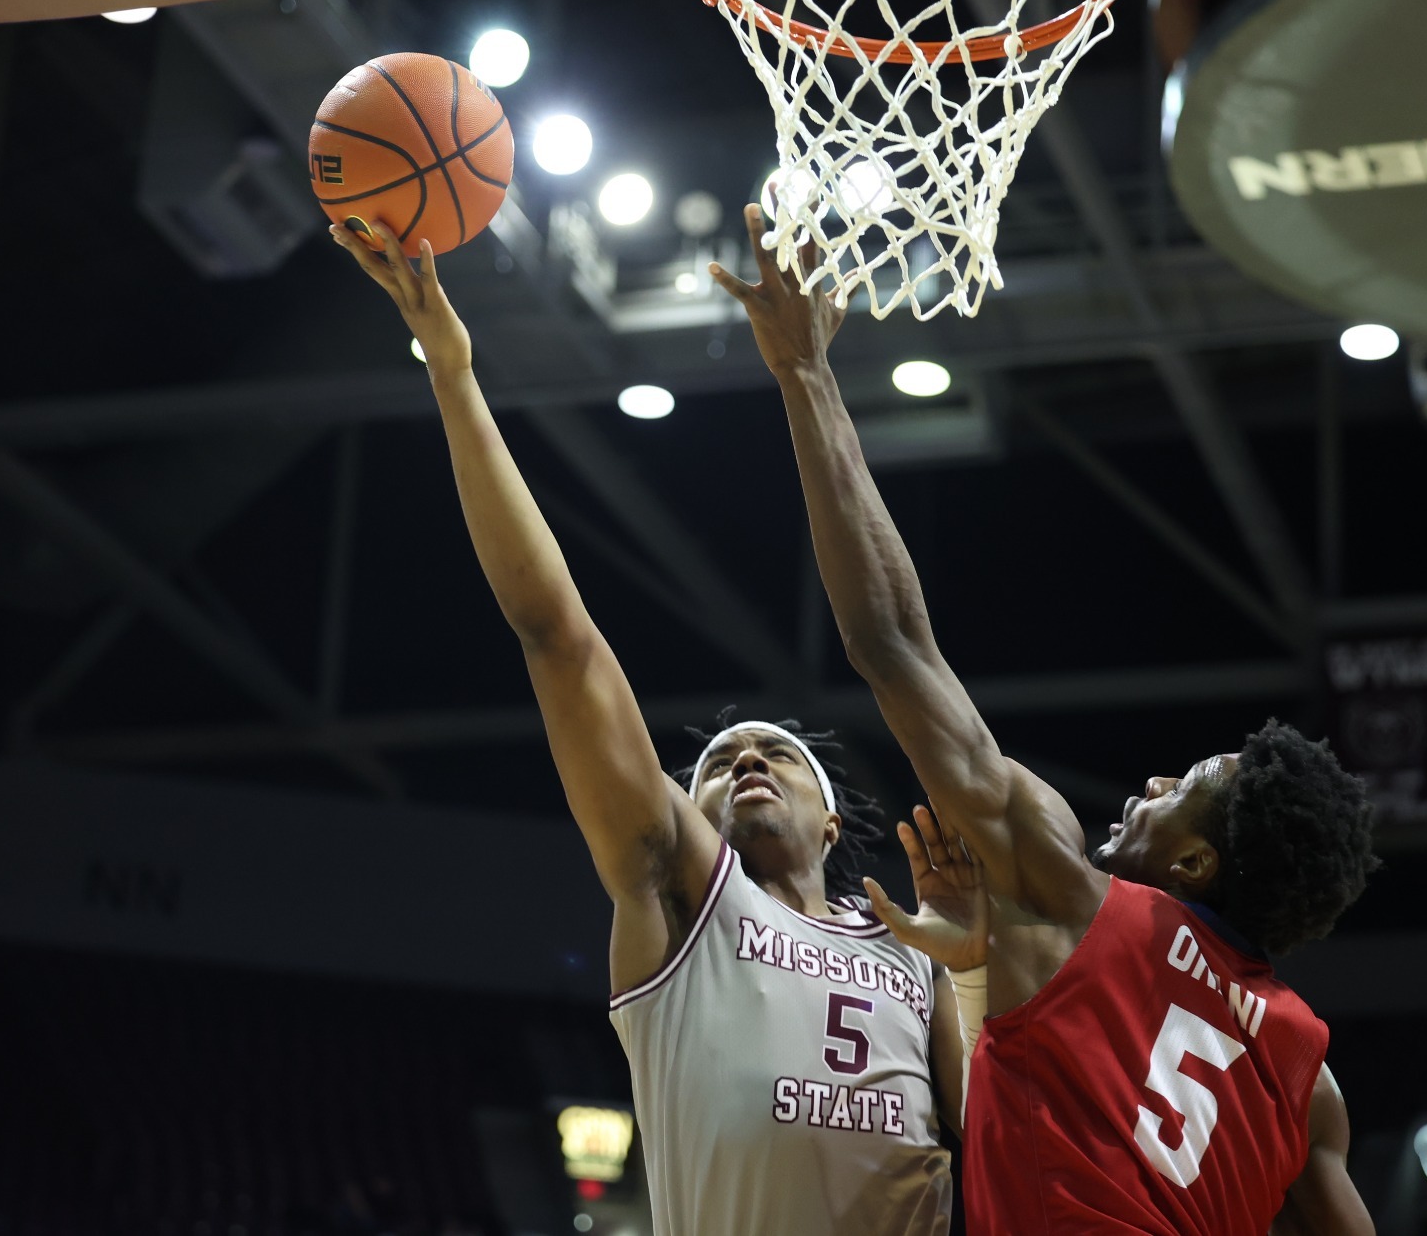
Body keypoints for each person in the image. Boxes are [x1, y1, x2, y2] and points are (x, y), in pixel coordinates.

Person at [709, 205, 1381, 1236]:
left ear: (1198, 866)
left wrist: (804, 374)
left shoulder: (1069, 896)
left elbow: (890, 639)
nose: (1149, 787)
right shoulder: (1307, 1075)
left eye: (1179, 790)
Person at [333, 222, 962, 1236]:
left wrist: (972, 968)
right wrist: (453, 373)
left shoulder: (910, 950)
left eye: (776, 756)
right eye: (715, 764)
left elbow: (994, 1149)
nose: (745, 759)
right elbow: (557, 636)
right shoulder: (685, 893)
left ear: (835, 822)